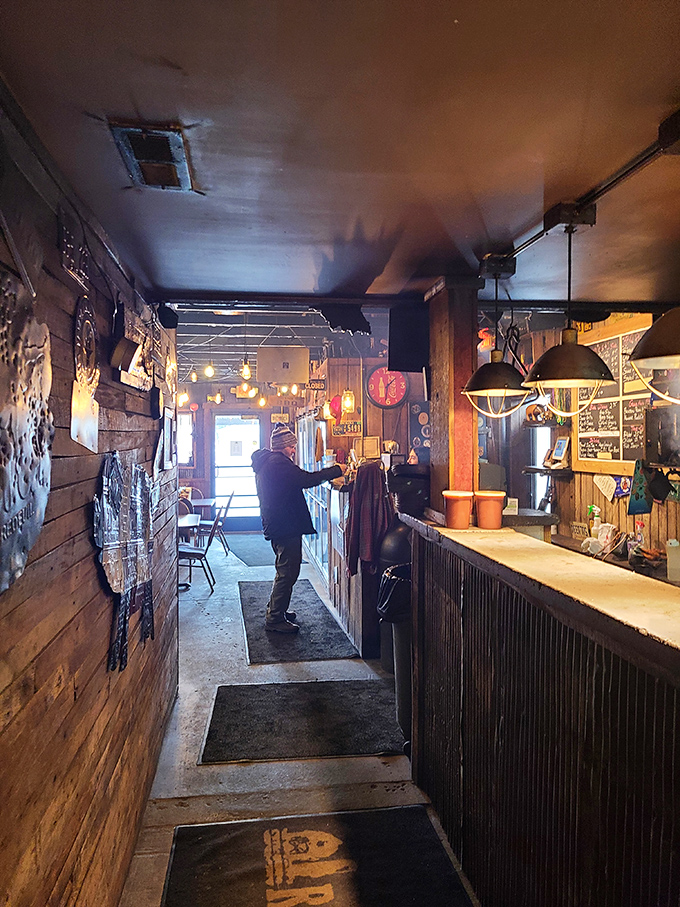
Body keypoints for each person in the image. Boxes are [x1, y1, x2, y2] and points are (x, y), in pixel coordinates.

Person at [251, 424, 345, 633]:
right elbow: (306, 479)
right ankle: (275, 618)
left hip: (278, 523)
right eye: (292, 446)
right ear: (283, 446)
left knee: (285, 569)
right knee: (288, 571)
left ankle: (276, 609)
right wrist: (337, 469)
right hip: (284, 525)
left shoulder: (269, 462)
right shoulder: (279, 464)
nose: (294, 450)